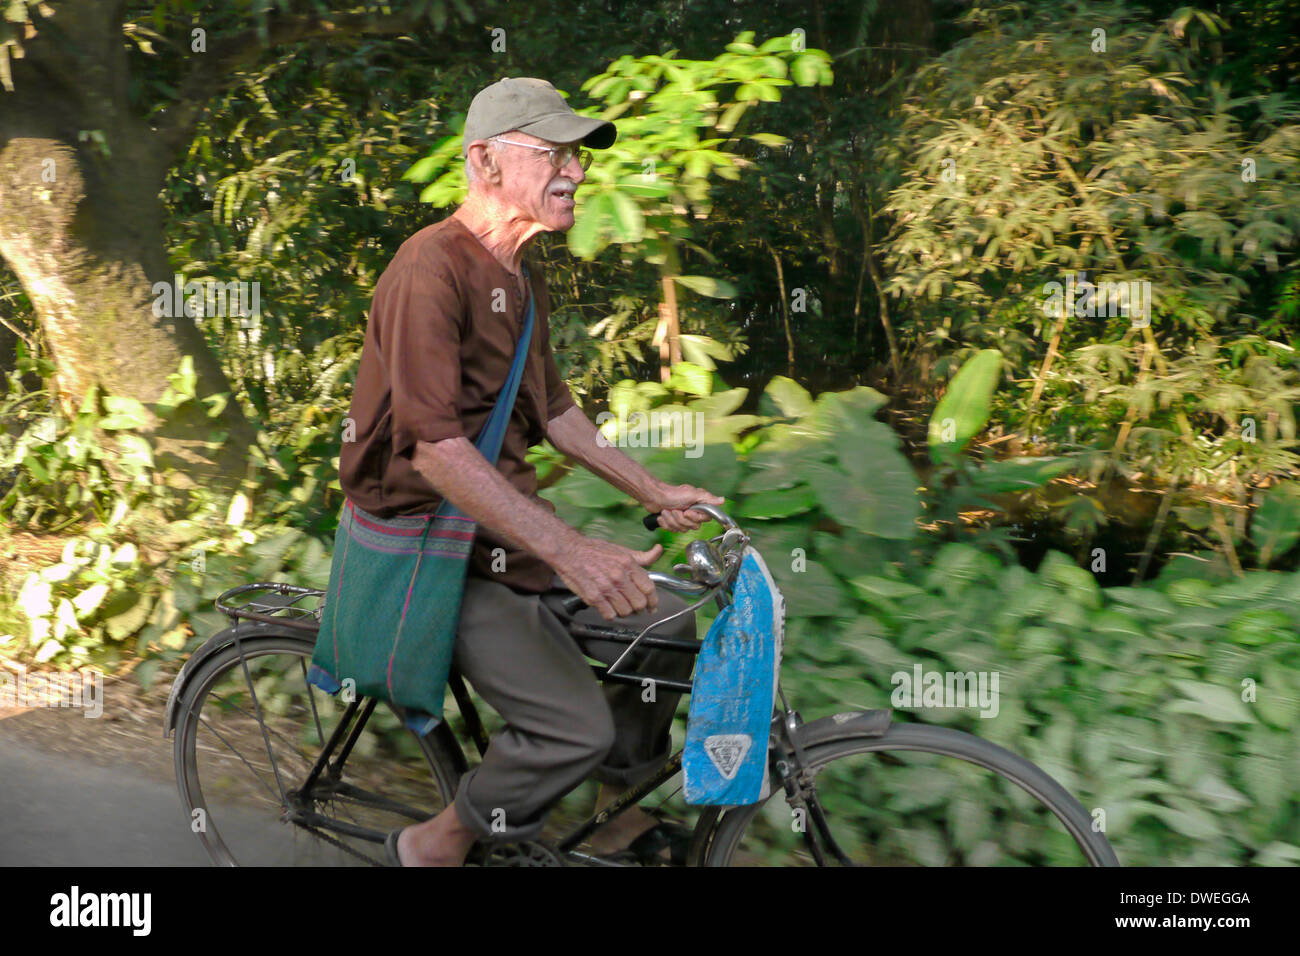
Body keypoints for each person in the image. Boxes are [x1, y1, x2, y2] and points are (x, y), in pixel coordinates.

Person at [338, 77, 724, 866]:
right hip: (436, 547)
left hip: (497, 530)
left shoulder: (520, 273)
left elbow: (554, 413)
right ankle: (434, 844)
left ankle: (618, 819)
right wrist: (572, 552)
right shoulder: (428, 271)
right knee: (570, 728)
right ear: (484, 162)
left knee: (664, 626)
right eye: (552, 154)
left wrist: (653, 492)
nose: (575, 172)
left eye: (575, 157)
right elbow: (433, 447)